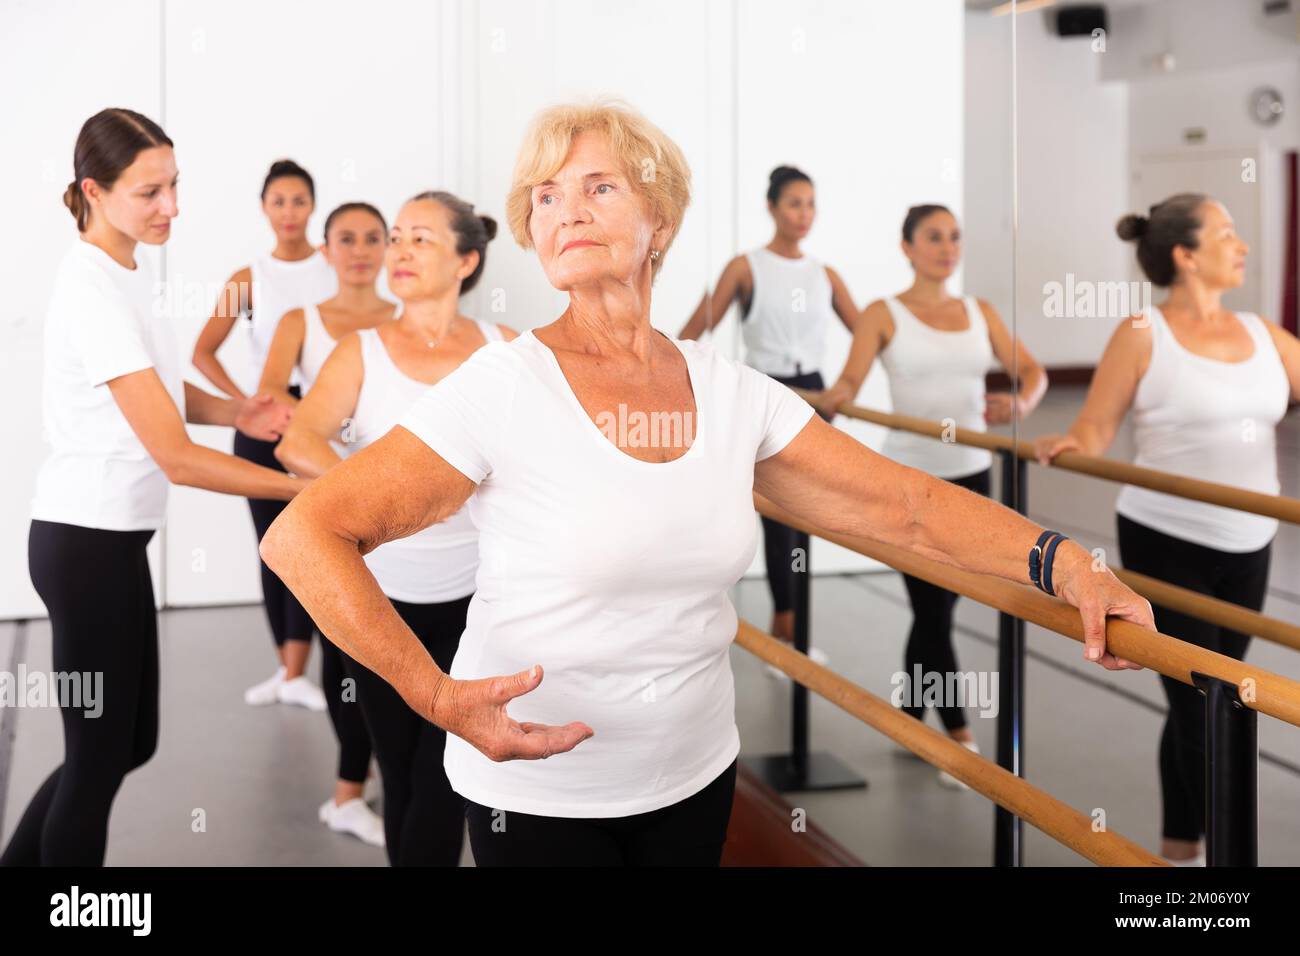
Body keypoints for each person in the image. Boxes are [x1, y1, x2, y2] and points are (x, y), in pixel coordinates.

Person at [261, 100, 1151, 868]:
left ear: (662, 221)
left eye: (598, 186)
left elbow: (907, 507)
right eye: (547, 195)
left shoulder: (731, 393)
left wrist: (1067, 564)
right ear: (531, 234)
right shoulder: (502, 387)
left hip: (692, 772)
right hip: (539, 791)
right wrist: (437, 696)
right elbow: (305, 534)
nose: (566, 209)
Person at [0, 108, 304, 867]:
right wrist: (304, 489)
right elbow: (174, 455)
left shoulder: (125, 269)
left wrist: (238, 408)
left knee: (129, 744)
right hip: (84, 545)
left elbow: (158, 393)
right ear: (93, 191)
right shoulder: (93, 289)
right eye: (150, 192)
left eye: (175, 185)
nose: (172, 207)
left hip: (112, 542)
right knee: (98, 760)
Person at [1034, 194, 1300, 864]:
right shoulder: (1140, 332)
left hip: (1251, 542)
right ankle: (1224, 869)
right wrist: (1071, 441)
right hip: (1166, 540)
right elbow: (1096, 425)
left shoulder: (1265, 334)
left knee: (1202, 697)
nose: (1242, 245)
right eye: (1227, 233)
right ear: (1185, 254)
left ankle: (1178, 848)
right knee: (1204, 702)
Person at [278, 190, 514, 865]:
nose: (400, 252)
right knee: (401, 764)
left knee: (448, 771)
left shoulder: (505, 352)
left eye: (422, 240)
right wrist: (386, 500)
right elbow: (301, 440)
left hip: (480, 598)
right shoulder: (360, 351)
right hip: (376, 599)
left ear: (467, 260)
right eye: (398, 237)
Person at [825, 204, 1047, 788]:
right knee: (933, 608)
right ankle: (958, 735)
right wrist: (826, 401)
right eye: (933, 237)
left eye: (954, 237)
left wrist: (1020, 403)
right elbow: (849, 382)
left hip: (974, 476)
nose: (947, 248)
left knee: (941, 608)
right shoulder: (883, 313)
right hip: (912, 482)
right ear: (907, 246)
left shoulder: (980, 312)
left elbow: (1031, 370)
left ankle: (909, 715)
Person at [678, 166, 863, 661]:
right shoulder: (746, 266)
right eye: (794, 204)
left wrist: (846, 388)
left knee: (806, 514)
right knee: (778, 517)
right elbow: (693, 332)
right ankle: (786, 636)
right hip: (765, 390)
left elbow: (871, 333)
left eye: (810, 204)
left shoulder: (823, 274)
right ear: (772, 208)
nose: (804, 215)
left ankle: (790, 633)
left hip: (816, 396)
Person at [258, 201, 398, 846]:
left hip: (402, 512)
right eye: (348, 239)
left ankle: (390, 785)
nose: (361, 250)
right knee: (349, 649)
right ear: (327, 249)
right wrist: (331, 439)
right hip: (332, 504)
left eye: (374, 238)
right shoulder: (301, 320)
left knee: (397, 648)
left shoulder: (404, 322)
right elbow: (274, 403)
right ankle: (348, 794)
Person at [192, 159, 338, 710]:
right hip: (263, 425)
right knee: (271, 548)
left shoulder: (332, 268)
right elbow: (201, 352)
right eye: (278, 201)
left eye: (299, 200)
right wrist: (240, 404)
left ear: (312, 206)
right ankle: (287, 669)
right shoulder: (247, 279)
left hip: (320, 424)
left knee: (313, 542)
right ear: (264, 208)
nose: (289, 212)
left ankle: (305, 669)